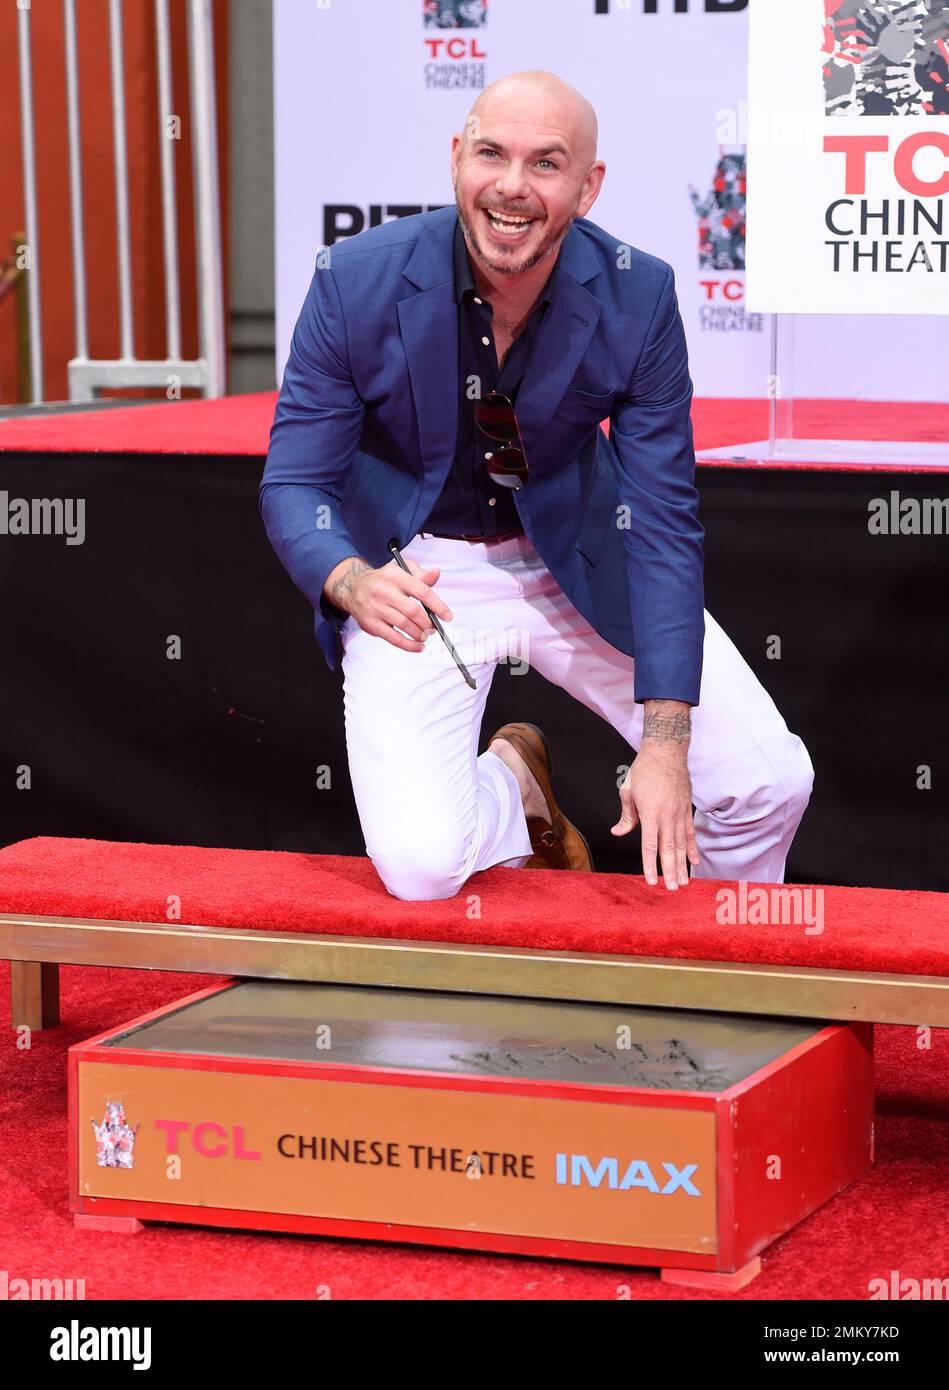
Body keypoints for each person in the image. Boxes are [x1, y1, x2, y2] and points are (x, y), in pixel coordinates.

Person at [260, 70, 814, 902]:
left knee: (767, 782)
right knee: (421, 869)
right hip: (415, 577)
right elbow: (295, 482)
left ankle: (731, 965)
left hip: (574, 556)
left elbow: (661, 520)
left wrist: (665, 747)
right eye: (491, 154)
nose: (512, 187)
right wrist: (351, 581)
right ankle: (514, 787)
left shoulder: (637, 292)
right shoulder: (355, 280)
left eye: (546, 164)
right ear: (456, 161)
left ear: (587, 187)